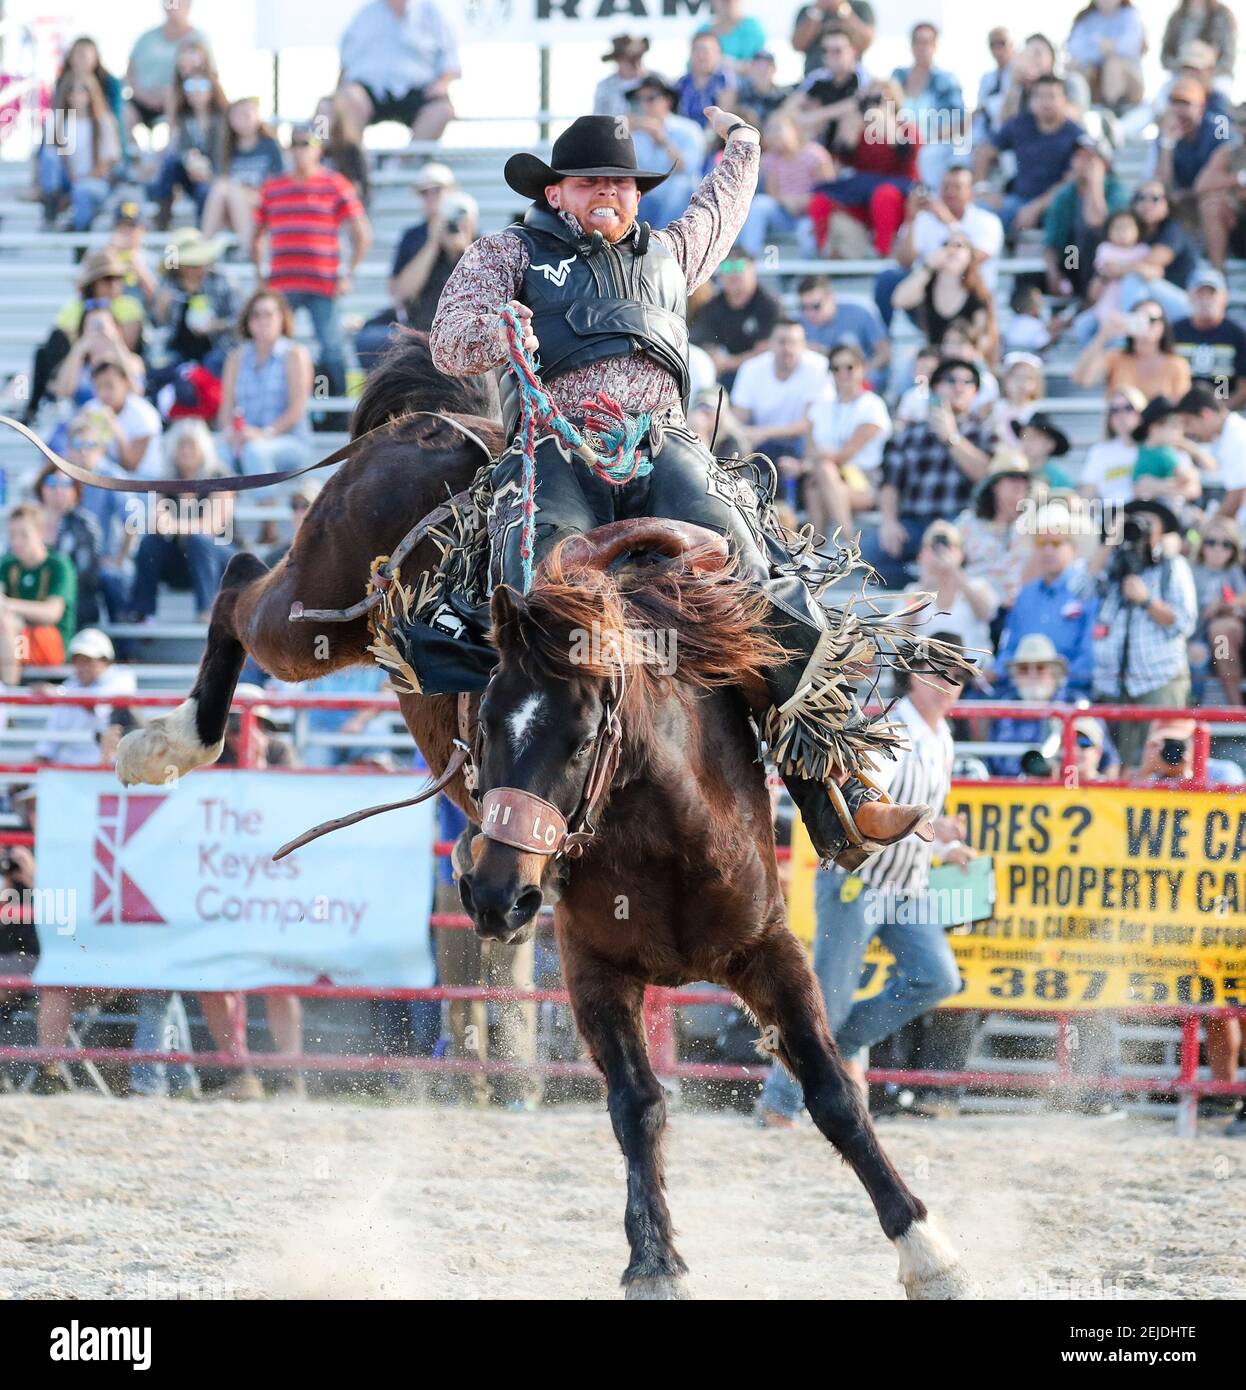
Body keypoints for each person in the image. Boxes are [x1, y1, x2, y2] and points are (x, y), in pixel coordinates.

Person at [428, 109, 939, 868]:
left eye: (623, 182)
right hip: (556, 448)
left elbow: (720, 208)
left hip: (661, 443)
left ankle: (839, 783)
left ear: (637, 194)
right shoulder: (510, 252)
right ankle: (503, 797)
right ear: (557, 192)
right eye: (592, 180)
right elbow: (448, 338)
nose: (609, 192)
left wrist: (745, 145)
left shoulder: (669, 253)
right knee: (538, 584)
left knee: (750, 567)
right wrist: (501, 326)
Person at [755, 637, 971, 1125]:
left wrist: (948, 843)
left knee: (937, 978)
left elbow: (919, 821)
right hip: (859, 882)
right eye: (941, 674)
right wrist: (914, 823)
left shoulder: (941, 740)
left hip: (902, 886)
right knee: (826, 1001)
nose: (949, 687)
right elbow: (867, 806)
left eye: (955, 678)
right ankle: (780, 1104)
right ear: (915, 677)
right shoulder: (892, 732)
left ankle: (843, 1047)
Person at [253, 125, 371, 402]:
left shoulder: (334, 184)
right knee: (275, 347)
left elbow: (361, 233)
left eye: (307, 143)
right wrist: (259, 273)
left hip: (323, 282)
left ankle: (339, 411)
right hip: (283, 283)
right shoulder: (273, 186)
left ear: (319, 148)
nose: (301, 149)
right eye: (295, 144)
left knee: (331, 348)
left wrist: (348, 272)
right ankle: (279, 402)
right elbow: (256, 234)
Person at [862, 358, 994, 589]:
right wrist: (889, 522)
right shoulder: (909, 434)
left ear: (975, 392)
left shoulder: (983, 433)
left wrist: (951, 437)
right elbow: (890, 484)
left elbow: (985, 476)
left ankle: (940, 592)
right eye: (951, 380)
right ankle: (917, 592)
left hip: (958, 522)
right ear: (934, 388)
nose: (959, 387)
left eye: (968, 382)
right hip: (914, 524)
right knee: (870, 553)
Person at [1092, 498, 1197, 768]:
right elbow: (1079, 588)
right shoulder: (1113, 563)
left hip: (1159, 681)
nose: (1141, 527)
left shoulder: (1172, 566)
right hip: (1111, 682)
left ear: (1162, 531)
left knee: (1162, 760)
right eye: (1135, 521)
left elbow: (1184, 622)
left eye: (1149, 522)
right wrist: (1109, 542)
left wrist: (1147, 600)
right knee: (1118, 766)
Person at [356, 163, 477, 365]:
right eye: (425, 193)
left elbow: (483, 287)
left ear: (452, 191)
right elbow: (400, 292)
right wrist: (432, 245)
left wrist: (462, 249)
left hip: (461, 330)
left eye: (437, 190)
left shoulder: (471, 233)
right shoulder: (413, 237)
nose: (432, 198)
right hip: (418, 329)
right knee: (369, 340)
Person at [124, 418, 235, 623]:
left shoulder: (219, 478)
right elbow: (157, 523)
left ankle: (207, 612)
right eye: (181, 445)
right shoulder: (166, 481)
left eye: (191, 445)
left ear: (203, 448)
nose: (185, 451)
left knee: (199, 540)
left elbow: (212, 526)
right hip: (182, 560)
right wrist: (168, 525)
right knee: (150, 543)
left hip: (217, 559)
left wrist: (174, 525)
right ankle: (142, 611)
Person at [877, 165, 1004, 329]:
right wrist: (911, 219)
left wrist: (948, 221)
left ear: (971, 192)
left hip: (970, 296)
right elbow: (904, 262)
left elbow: (971, 260)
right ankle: (883, 341)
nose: (950, 192)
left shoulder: (988, 221)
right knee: (889, 279)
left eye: (957, 187)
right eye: (946, 186)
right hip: (932, 295)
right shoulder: (924, 219)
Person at [809, 79, 919, 257]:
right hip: (863, 189)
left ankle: (882, 251)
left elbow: (905, 153)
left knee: (884, 195)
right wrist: (853, 122)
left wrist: (884, 118)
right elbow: (842, 160)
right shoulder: (858, 126)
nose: (874, 103)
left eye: (880, 98)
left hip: (898, 190)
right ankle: (826, 251)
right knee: (822, 199)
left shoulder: (906, 127)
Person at [997, 503, 1098, 697]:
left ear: (1073, 548)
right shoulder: (1025, 595)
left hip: (1070, 691)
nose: (1048, 550)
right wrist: (997, 669)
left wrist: (1059, 679)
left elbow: (1089, 655)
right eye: (1042, 544)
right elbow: (1010, 647)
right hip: (1021, 689)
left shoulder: (1088, 593)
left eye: (1057, 543)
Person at [218, 289, 314, 476]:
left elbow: (297, 411)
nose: (262, 321)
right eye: (256, 315)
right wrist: (230, 433)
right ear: (248, 321)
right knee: (217, 453)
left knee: (254, 452)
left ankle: (265, 503)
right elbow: (226, 409)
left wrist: (264, 434)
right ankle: (222, 504)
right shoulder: (235, 358)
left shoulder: (294, 354)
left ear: (282, 318)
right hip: (245, 441)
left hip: (287, 441)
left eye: (269, 314)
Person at [973, 74, 1084, 234]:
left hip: (1057, 204)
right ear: (1032, 99)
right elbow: (984, 151)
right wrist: (982, 189)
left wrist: (1035, 208)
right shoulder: (1020, 125)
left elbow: (1073, 179)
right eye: (1040, 96)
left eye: (1052, 96)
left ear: (1064, 99)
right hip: (1018, 200)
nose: (1046, 102)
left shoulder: (1075, 134)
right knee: (980, 212)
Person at [336, 0, 459, 142]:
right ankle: (338, 157)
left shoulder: (431, 13)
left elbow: (450, 61)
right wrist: (340, 90)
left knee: (442, 110)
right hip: (370, 93)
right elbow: (345, 62)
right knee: (331, 108)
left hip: (418, 92)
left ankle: (404, 161)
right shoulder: (365, 14)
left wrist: (442, 83)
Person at [729, 318, 829, 491]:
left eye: (793, 342)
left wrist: (763, 432)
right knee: (734, 440)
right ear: (770, 344)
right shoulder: (751, 368)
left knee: (816, 438)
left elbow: (811, 423)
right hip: (760, 442)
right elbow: (739, 417)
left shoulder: (819, 367)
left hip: (801, 442)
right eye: (782, 342)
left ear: (803, 344)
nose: (787, 349)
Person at [805, 343, 891, 537]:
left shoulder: (873, 405)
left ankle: (846, 539)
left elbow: (846, 454)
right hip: (829, 478)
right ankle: (819, 550)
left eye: (849, 367)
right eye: (836, 368)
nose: (843, 373)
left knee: (822, 474)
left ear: (861, 369)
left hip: (864, 480)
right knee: (816, 486)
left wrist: (817, 460)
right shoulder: (820, 407)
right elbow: (810, 452)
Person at [147, 45, 228, 226]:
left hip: (214, 177)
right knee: (170, 162)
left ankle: (203, 233)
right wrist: (191, 160)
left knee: (205, 191)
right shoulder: (184, 119)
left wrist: (208, 172)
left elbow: (224, 154)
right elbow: (182, 149)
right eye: (190, 86)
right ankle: (163, 216)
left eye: (202, 85)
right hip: (191, 172)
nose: (196, 92)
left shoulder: (223, 119)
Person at [1044, 135, 1132, 300]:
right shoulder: (1065, 195)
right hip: (1075, 259)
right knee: (1073, 248)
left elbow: (1102, 225)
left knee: (1091, 235)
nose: (1083, 162)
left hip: (1108, 258)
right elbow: (1052, 241)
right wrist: (1053, 273)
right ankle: (1077, 294)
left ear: (1104, 163)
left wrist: (1095, 184)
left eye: (1090, 157)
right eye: (1079, 156)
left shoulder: (1116, 189)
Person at [32, 628, 136, 764]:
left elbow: (99, 704)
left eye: (88, 660)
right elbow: (53, 734)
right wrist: (36, 765)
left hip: (109, 766)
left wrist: (58, 693)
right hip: (67, 765)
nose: (81, 666)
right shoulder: (70, 685)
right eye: (77, 660)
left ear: (105, 660)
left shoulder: (122, 678)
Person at [736, 111, 832, 258]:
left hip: (810, 214)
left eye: (778, 129)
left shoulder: (814, 154)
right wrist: (786, 201)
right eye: (769, 130)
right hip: (784, 213)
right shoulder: (770, 160)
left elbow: (829, 191)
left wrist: (804, 202)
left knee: (806, 232)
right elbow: (772, 192)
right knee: (759, 205)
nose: (773, 135)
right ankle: (749, 257)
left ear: (794, 130)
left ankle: (809, 276)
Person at [0, 504, 78, 683]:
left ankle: (9, 697)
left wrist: (7, 604)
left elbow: (51, 613)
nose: (16, 541)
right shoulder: (7, 564)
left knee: (5, 622)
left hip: (51, 646)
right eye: (12, 535)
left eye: (24, 535)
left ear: (40, 533)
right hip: (19, 644)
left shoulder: (58, 565)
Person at [890, 231, 997, 361]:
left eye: (959, 246)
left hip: (965, 361)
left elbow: (984, 339)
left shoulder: (977, 293)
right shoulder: (927, 285)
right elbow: (899, 300)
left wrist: (965, 354)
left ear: (970, 256)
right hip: (932, 362)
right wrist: (928, 267)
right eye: (946, 245)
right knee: (909, 370)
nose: (951, 250)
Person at [689, 245, 781, 390]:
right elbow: (700, 341)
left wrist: (730, 363)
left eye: (738, 266)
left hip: (761, 378)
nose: (732, 273)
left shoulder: (769, 305)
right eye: (726, 267)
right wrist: (713, 355)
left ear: (753, 269)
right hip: (721, 375)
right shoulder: (712, 306)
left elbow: (767, 350)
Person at [200, 97, 285, 255]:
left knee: (231, 190)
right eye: (238, 115)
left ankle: (248, 250)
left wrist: (246, 190)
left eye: (247, 114)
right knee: (222, 189)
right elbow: (220, 180)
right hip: (232, 204)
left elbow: (277, 183)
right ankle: (205, 248)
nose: (243, 119)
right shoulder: (226, 147)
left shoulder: (269, 145)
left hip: (262, 200)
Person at [151, 227, 236, 381]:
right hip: (177, 352)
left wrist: (216, 325)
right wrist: (161, 308)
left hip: (216, 349)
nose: (198, 269)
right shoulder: (167, 284)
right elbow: (157, 325)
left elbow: (239, 319)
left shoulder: (220, 280)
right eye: (191, 264)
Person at [38, 72, 120, 232]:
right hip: (66, 182)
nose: (76, 96)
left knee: (82, 190)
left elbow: (108, 162)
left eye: (82, 91)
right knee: (49, 156)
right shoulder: (58, 120)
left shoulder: (104, 121)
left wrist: (82, 180)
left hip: (94, 181)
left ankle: (80, 236)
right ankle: (51, 210)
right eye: (72, 91)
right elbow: (53, 159)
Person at [903, 519, 997, 658]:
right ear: (922, 553)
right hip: (926, 667)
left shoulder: (978, 586)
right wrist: (924, 589)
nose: (941, 550)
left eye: (948, 544)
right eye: (934, 545)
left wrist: (955, 572)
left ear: (961, 553)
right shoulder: (913, 591)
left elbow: (985, 613)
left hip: (970, 667)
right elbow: (903, 627)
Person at [955, 450, 1032, 615]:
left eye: (1024, 479)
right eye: (1011, 478)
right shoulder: (968, 522)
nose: (1019, 484)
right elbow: (951, 559)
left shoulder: (1034, 524)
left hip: (1018, 607)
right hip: (974, 607)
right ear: (995, 485)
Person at [628, 74, 707, 230]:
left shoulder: (689, 129)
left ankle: (661, 242)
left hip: (677, 198)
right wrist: (623, 131)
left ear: (668, 101)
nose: (644, 105)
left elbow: (688, 168)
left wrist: (663, 140)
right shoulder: (635, 132)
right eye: (640, 100)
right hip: (645, 196)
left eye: (650, 99)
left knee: (681, 186)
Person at [890, 22, 965, 187]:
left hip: (931, 144)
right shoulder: (898, 76)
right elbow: (885, 110)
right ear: (911, 45)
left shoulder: (946, 80)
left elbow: (960, 123)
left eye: (928, 42)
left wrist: (925, 140)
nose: (922, 47)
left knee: (927, 156)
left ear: (935, 45)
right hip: (900, 143)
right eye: (918, 41)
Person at [1151, 79, 1233, 230]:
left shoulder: (1218, 130)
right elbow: (1163, 183)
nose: (1179, 110)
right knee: (1154, 201)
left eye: (1186, 104)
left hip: (1215, 193)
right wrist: (1167, 144)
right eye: (1174, 103)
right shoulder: (1166, 134)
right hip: (1182, 197)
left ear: (1201, 108)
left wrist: (1189, 194)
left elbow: (1221, 177)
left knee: (1211, 201)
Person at [1073, 301, 1192, 403]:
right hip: (1121, 427)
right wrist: (1103, 336)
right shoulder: (1116, 358)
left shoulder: (1176, 364)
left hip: (1157, 427)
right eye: (1139, 318)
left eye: (1152, 320)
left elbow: (1179, 407)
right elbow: (1082, 379)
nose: (1146, 324)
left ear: (1163, 326)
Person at [125, 0, 210, 140]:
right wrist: (142, 94)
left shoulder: (198, 38)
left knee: (170, 95)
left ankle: (172, 148)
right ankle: (133, 156)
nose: (173, 8)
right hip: (142, 98)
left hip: (183, 97)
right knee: (122, 115)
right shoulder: (147, 37)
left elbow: (208, 72)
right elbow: (131, 68)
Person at [34, 462, 104, 628]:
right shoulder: (28, 520)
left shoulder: (85, 524)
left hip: (73, 599)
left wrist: (53, 594)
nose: (58, 489)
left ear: (76, 491)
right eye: (52, 482)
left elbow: (86, 573)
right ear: (41, 487)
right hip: (32, 594)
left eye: (66, 484)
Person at [1188, 517, 1246, 702]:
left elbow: (1241, 600)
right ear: (1202, 545)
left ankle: (1235, 711)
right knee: (1199, 654)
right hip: (1196, 637)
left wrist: (1226, 605)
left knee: (1221, 635)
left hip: (1222, 641)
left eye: (1225, 544)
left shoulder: (1234, 571)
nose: (1218, 549)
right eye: (1211, 542)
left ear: (1233, 549)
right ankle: (1195, 714)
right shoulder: (1190, 572)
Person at [783, 26, 865, 157]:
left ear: (853, 51)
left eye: (837, 51)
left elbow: (858, 104)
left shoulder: (862, 77)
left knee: (851, 118)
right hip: (818, 141)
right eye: (826, 50)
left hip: (852, 147)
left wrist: (817, 115)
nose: (830, 56)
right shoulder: (817, 77)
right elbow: (790, 106)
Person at [1171, 268, 1246, 408]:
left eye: (1211, 294)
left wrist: (1220, 413)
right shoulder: (1174, 332)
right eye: (1200, 294)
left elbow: (1243, 388)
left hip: (1222, 405)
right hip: (1182, 409)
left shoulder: (1238, 334)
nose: (1205, 301)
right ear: (1189, 297)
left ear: (1224, 297)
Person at [1124, 180, 1195, 323]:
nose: (1147, 204)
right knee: (1082, 326)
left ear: (1167, 204)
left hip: (1184, 304)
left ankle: (1125, 336)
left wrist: (1114, 268)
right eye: (1141, 198)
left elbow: (1150, 261)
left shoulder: (1174, 229)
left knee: (1135, 277)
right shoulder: (1130, 232)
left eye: (1155, 199)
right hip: (1151, 306)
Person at [797, 275, 888, 381]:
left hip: (861, 383)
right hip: (820, 384)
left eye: (816, 306)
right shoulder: (798, 323)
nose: (810, 313)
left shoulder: (860, 311)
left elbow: (884, 353)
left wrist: (860, 372)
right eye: (804, 307)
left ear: (831, 297)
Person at [1176, 384, 1246, 518]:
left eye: (1188, 422)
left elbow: (1236, 498)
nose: (1188, 430)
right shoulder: (1230, 435)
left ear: (1205, 414)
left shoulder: (1237, 438)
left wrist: (1206, 530)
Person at [1066, 0, 1146, 113]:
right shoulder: (1086, 18)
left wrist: (1109, 48)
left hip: (1128, 84)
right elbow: (1074, 49)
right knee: (1075, 66)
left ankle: (1113, 109)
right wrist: (1102, 50)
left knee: (1112, 64)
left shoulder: (1130, 16)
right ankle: (1075, 109)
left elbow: (1130, 47)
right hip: (1094, 77)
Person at [1079, 387, 1146, 507]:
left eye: (1128, 408)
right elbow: (1086, 495)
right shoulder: (1100, 451)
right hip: (1110, 514)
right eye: (1114, 410)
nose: (1121, 415)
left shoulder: (1154, 447)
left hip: (1147, 512)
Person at [791, 0, 875, 76]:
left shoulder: (860, 7)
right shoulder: (808, 11)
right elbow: (798, 44)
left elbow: (866, 41)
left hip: (850, 81)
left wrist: (843, 10)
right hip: (815, 82)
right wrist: (816, 11)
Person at [1161, 0, 1237, 78]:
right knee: (1168, 89)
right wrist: (1182, 69)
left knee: (1219, 88)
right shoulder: (1177, 17)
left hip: (1216, 76)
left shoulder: (1223, 15)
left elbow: (1228, 57)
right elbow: (1165, 56)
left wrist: (1208, 73)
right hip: (1181, 74)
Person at [676, 31, 737, 128]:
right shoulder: (682, 83)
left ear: (718, 54)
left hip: (717, 136)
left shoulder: (725, 80)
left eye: (705, 51)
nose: (701, 56)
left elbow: (725, 113)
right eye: (696, 51)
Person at [972, 28, 1015, 147]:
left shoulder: (1019, 73)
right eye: (993, 45)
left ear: (1012, 44)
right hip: (987, 132)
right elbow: (980, 109)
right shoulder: (987, 78)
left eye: (1002, 43)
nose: (998, 50)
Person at [593, 34, 649, 117]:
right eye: (630, 59)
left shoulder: (653, 83)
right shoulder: (604, 86)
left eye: (638, 57)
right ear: (618, 60)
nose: (635, 63)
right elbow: (597, 117)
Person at [735, 50, 789, 127]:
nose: (762, 69)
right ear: (751, 68)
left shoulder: (782, 96)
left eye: (768, 65)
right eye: (758, 65)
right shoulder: (739, 90)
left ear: (774, 69)